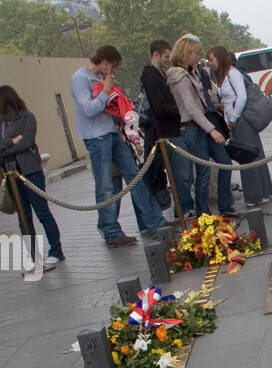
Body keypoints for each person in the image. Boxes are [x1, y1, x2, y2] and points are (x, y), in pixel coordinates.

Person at [70, 45, 165, 246]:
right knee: (105, 186)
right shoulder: (80, 78)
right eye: (112, 67)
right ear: (104, 61)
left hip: (112, 133)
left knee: (135, 177)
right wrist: (106, 91)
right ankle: (111, 231)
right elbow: (88, 109)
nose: (112, 72)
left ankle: (155, 222)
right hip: (96, 138)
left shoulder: (99, 78)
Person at [166, 36, 235, 217]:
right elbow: (191, 107)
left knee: (210, 168)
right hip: (190, 127)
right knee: (199, 172)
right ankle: (201, 211)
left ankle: (209, 209)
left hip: (197, 125)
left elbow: (200, 102)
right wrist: (212, 130)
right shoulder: (180, 77)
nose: (198, 57)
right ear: (186, 53)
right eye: (195, 53)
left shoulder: (190, 73)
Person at [0, 85, 64, 269]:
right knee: (24, 217)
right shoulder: (1, 123)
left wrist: (6, 148)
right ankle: (34, 256)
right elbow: (8, 143)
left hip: (31, 172)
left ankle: (56, 251)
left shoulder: (27, 117)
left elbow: (26, 142)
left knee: (42, 212)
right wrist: (12, 141)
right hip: (11, 175)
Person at [208, 45, 272, 206]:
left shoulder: (232, 73)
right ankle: (262, 192)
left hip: (240, 120)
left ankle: (255, 195)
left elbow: (242, 97)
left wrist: (233, 118)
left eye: (212, 59)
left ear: (219, 58)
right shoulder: (227, 74)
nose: (210, 63)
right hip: (237, 119)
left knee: (248, 157)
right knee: (253, 155)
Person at [140, 38, 183, 205]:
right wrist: (179, 109)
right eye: (165, 56)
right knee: (176, 172)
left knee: (177, 171)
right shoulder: (150, 76)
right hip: (163, 130)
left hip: (167, 128)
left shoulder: (158, 74)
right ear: (156, 54)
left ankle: (179, 205)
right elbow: (159, 107)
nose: (167, 60)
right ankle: (180, 206)